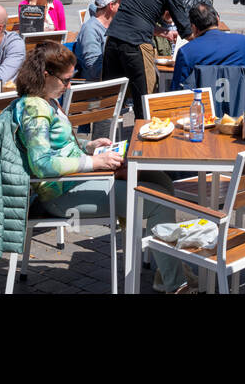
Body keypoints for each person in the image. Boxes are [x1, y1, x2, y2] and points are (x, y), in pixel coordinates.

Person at [14, 43, 191, 293]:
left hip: (73, 182)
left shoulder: (47, 100)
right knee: (158, 202)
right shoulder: (35, 109)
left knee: (162, 182)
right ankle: (175, 283)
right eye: (65, 80)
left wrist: (89, 146)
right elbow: (42, 164)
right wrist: (94, 162)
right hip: (59, 193)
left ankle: (168, 270)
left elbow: (58, 145)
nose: (69, 86)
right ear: (46, 75)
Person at [102, 0, 195, 106]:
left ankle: (103, 130)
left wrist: (165, 33)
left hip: (112, 40)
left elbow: (137, 19)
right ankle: (144, 128)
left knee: (109, 102)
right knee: (145, 101)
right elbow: (186, 30)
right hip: (136, 44)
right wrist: (208, 43)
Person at [170, 0, 245, 89]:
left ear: (193, 27)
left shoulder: (187, 51)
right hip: (240, 100)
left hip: (203, 101)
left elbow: (177, 90)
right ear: (218, 19)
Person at [76, 0, 122, 82]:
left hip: (114, 83)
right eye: (120, 2)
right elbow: (95, 70)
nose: (124, 6)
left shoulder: (116, 26)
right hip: (97, 90)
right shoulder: (90, 29)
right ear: (111, 5)